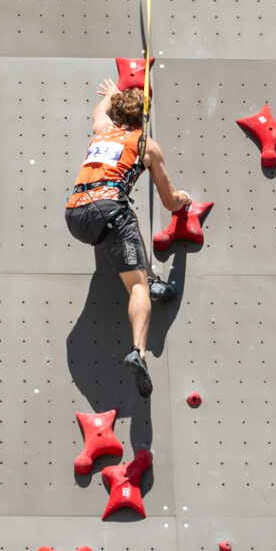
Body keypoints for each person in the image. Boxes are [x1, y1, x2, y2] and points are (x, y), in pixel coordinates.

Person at [65, 76, 192, 394]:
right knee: (136, 287)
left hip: (76, 213)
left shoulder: (102, 129)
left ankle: (147, 276)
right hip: (109, 214)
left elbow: (98, 113)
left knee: (127, 215)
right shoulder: (146, 146)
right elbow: (169, 201)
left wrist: (110, 95)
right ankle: (139, 351)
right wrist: (184, 199)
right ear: (143, 118)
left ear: (117, 112)